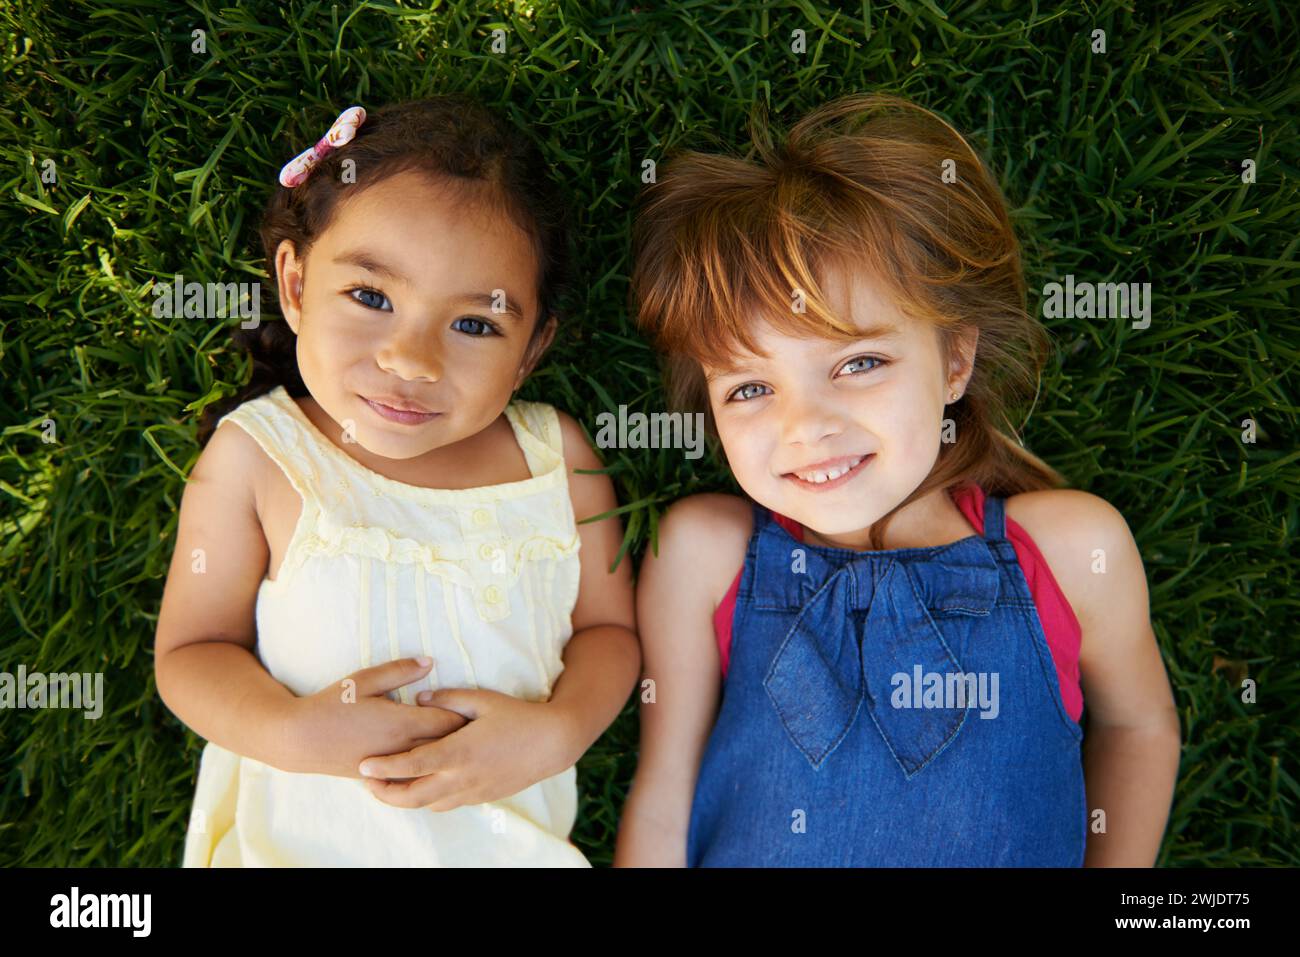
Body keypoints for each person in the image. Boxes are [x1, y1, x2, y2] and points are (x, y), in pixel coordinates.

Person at [617, 93, 1181, 867]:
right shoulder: (704, 555)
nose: (805, 426)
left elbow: (1139, 727)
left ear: (955, 360)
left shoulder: (1070, 548)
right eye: (750, 388)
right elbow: (662, 798)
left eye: (858, 363)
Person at [154, 96, 640, 866]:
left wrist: (560, 730)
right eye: (371, 297)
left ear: (532, 348)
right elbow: (190, 651)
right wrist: (286, 730)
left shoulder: (556, 457)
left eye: (476, 324)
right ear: (296, 282)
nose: (413, 360)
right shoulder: (262, 458)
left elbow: (610, 633)